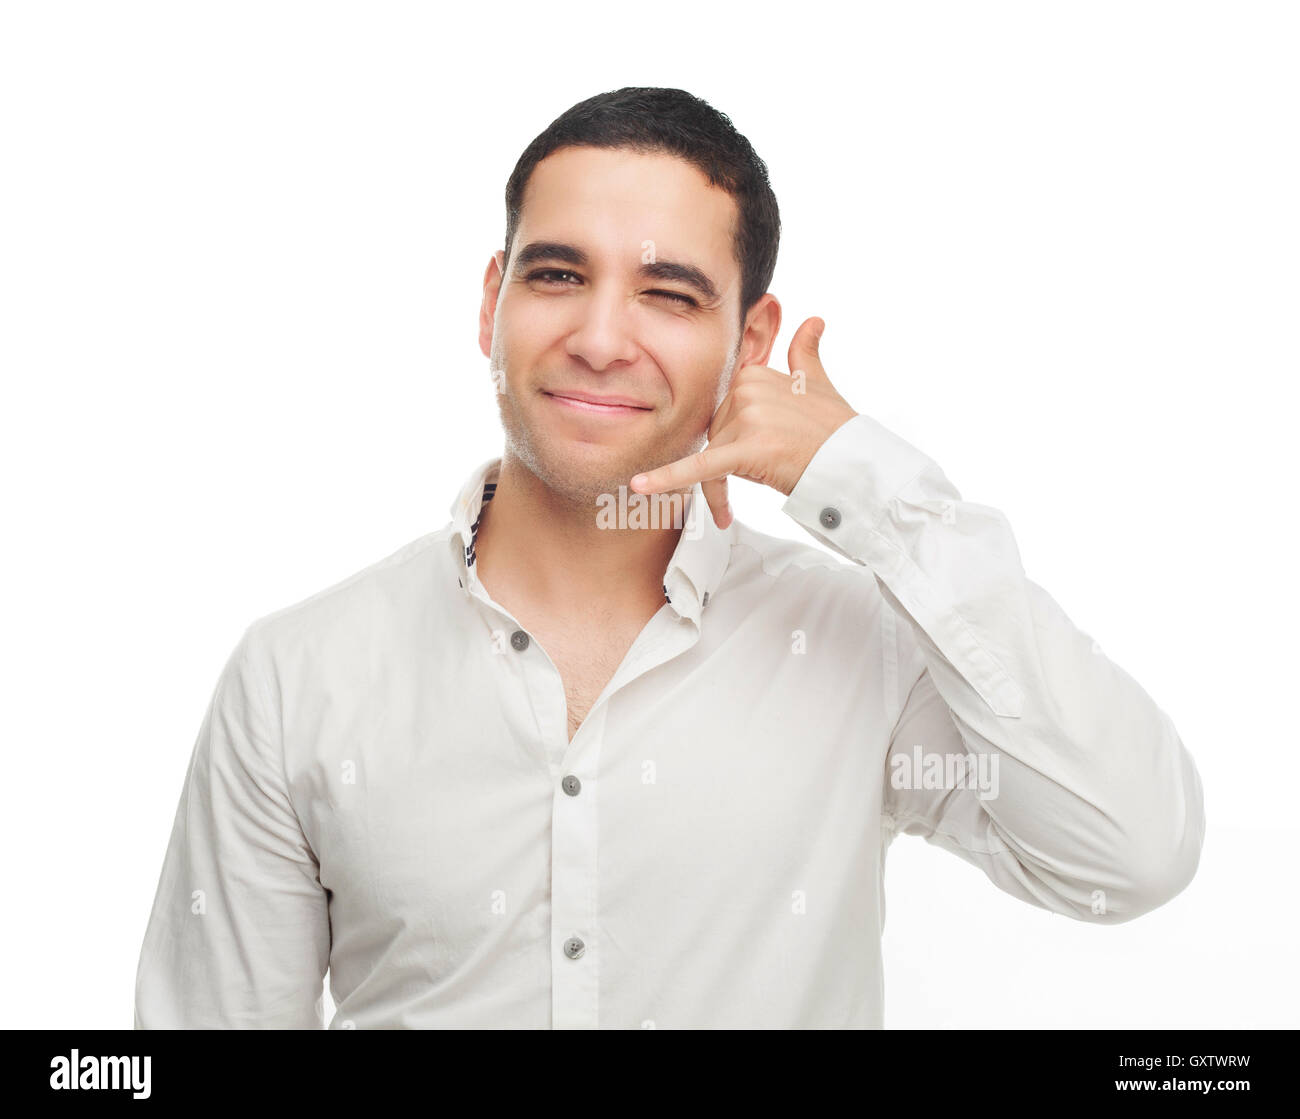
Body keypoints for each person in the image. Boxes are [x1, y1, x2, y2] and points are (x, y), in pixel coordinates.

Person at [134, 86, 1205, 1029]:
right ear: (490, 301)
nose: (601, 337)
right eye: (558, 276)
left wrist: (870, 489)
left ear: (748, 342)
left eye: (669, 293)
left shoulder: (862, 649)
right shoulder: (294, 676)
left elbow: (1131, 853)